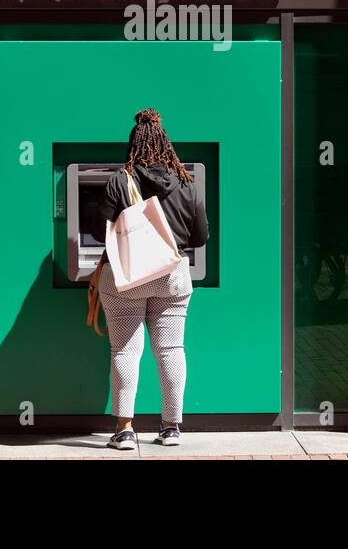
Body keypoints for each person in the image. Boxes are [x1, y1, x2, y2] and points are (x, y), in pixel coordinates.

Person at [97, 108, 209, 450]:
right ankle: (171, 427)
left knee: (125, 352)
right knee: (171, 349)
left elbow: (98, 231)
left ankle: (125, 430)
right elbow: (201, 237)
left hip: (125, 278)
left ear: (133, 145)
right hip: (171, 276)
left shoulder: (120, 181)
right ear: (165, 143)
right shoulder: (188, 183)